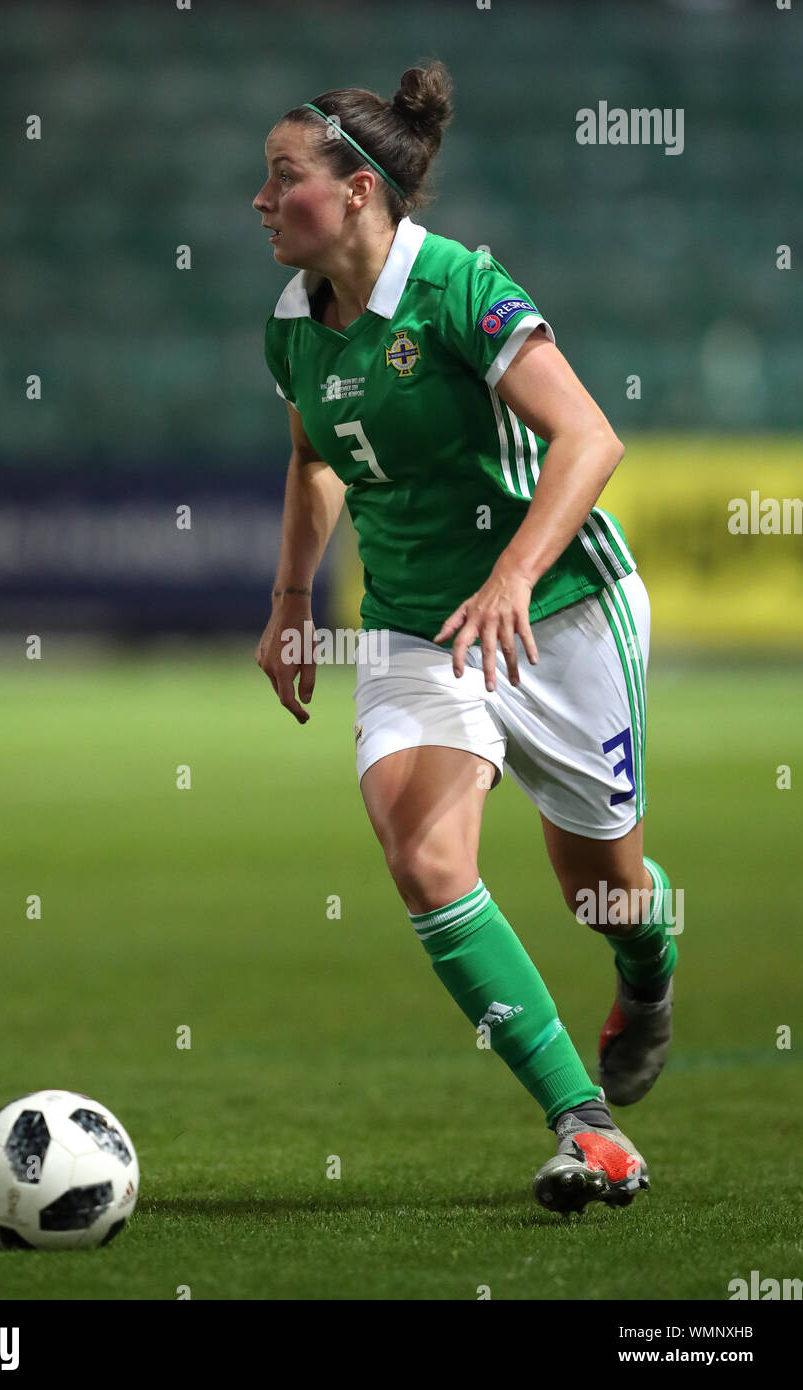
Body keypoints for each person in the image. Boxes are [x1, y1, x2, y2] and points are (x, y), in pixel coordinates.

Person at [253, 61, 677, 1213]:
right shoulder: (293, 324)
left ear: (355, 191)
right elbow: (313, 458)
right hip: (412, 625)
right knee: (424, 857)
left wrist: (509, 575)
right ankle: (585, 1127)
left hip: (557, 611)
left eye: (282, 177)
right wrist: (291, 602)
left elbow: (588, 438)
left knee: (600, 887)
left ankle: (647, 970)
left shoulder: (457, 287)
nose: (260, 199)